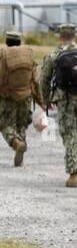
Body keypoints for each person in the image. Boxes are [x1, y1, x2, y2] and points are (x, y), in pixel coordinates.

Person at [38, 23, 77, 187]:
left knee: (69, 136)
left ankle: (72, 174)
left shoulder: (54, 55)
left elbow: (44, 80)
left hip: (64, 100)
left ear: (60, 36)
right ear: (75, 36)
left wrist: (46, 99)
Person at [0, 29, 42, 167]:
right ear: (19, 41)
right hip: (26, 96)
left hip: (8, 97)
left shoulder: (3, 54)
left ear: (7, 41)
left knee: (5, 124)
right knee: (22, 124)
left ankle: (16, 143)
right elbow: (35, 80)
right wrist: (41, 101)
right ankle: (21, 151)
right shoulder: (29, 54)